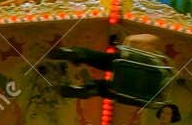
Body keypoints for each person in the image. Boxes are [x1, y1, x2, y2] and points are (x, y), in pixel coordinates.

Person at [48, 34, 176, 110]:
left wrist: (124, 46)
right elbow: (134, 101)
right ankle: (89, 89)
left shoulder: (157, 50)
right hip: (126, 88)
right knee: (102, 89)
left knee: (100, 59)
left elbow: (130, 40)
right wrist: (116, 97)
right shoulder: (159, 100)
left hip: (128, 63)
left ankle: (77, 54)